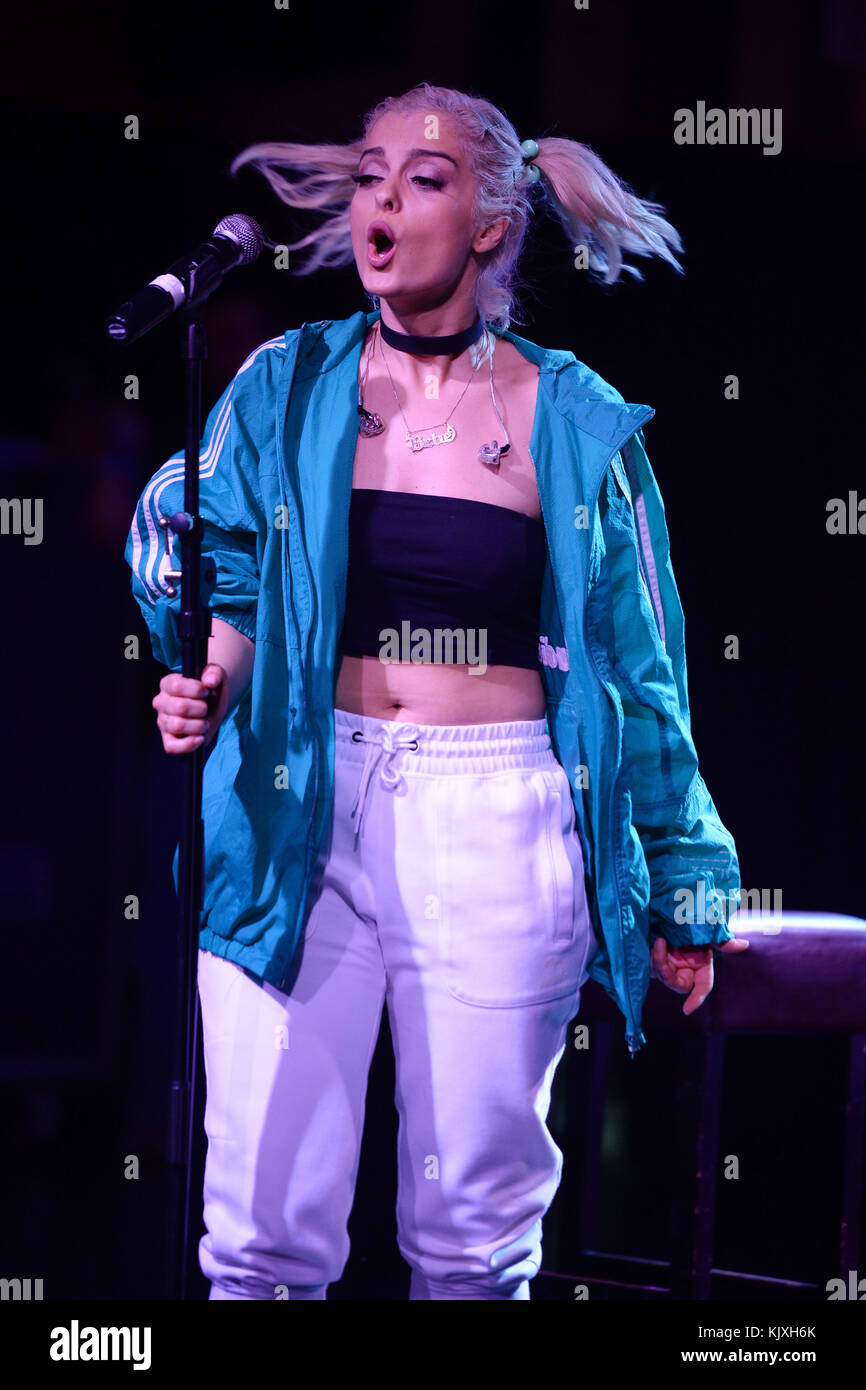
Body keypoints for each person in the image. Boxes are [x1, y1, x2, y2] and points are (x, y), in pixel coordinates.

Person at [125, 82, 747, 1301]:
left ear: (489, 222)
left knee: (469, 1245)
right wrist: (205, 678)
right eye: (366, 177)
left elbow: (638, 661)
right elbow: (232, 579)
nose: (380, 203)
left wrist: (683, 877)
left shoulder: (566, 416)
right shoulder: (282, 384)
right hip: (294, 800)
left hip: (494, 821)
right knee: (256, 1241)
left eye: (420, 180)